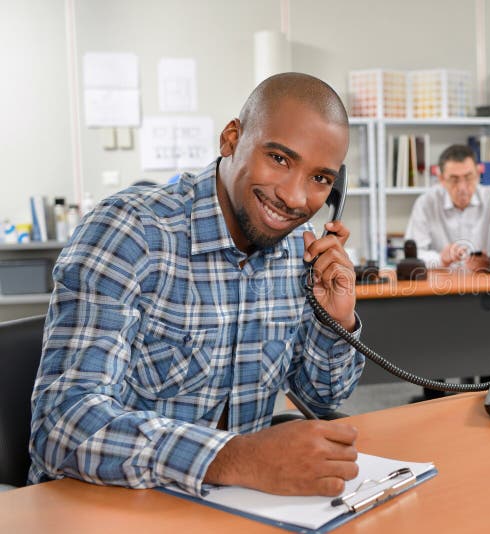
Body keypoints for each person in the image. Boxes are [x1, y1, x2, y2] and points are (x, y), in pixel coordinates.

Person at [29, 73, 366, 499]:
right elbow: (62, 424)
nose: (297, 198)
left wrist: (335, 323)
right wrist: (238, 457)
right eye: (279, 159)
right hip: (111, 504)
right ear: (231, 139)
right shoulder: (131, 232)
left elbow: (323, 400)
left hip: (236, 505)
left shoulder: (297, 252)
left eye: (320, 178)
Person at [404, 144, 490, 271]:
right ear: (441, 179)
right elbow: (413, 256)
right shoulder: (426, 203)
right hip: (441, 285)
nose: (462, 188)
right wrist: (441, 259)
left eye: (468, 177)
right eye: (454, 179)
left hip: (486, 282)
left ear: (478, 174)